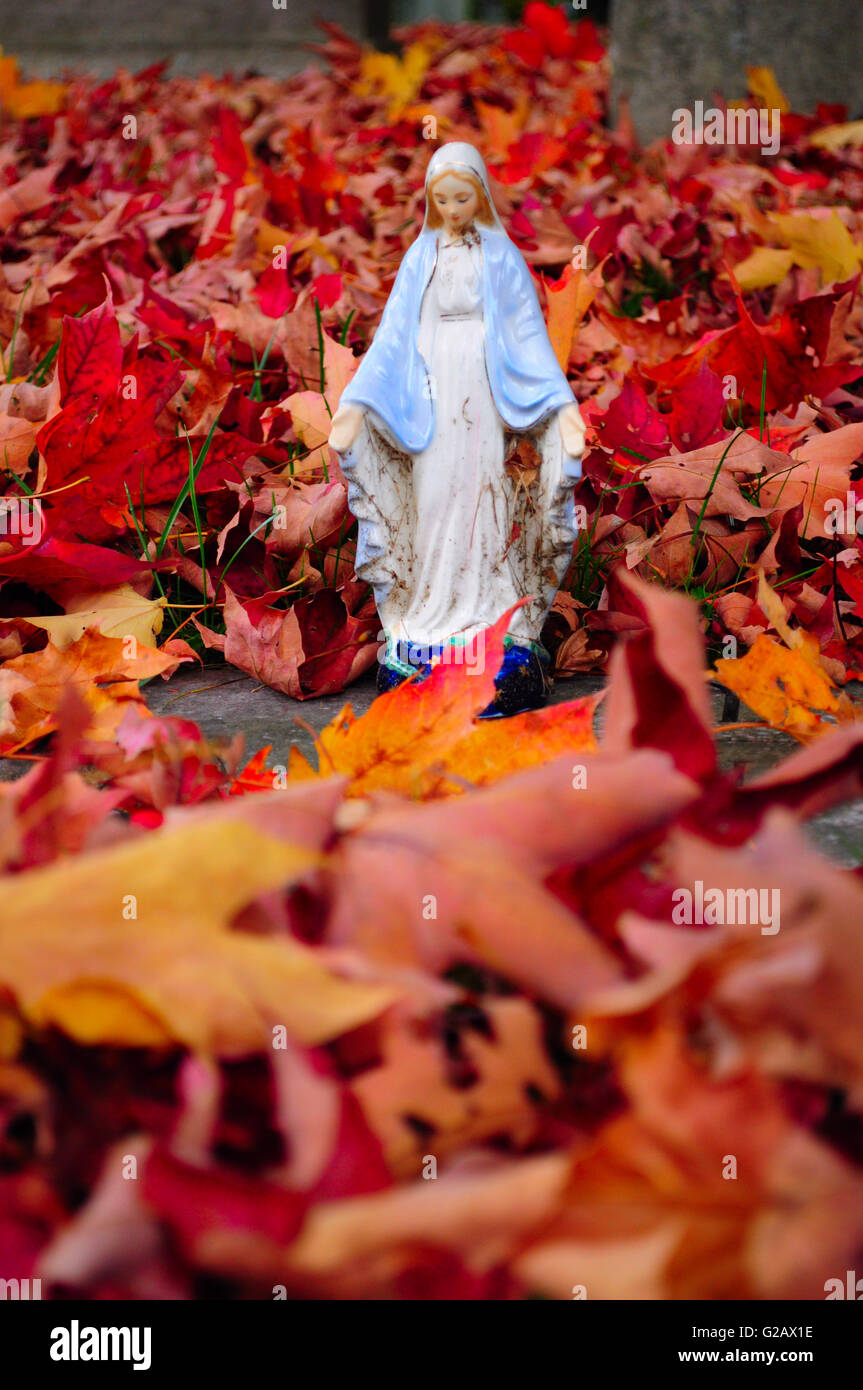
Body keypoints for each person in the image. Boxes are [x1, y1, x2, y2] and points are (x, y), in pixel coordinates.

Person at [328, 141, 586, 715]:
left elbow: (527, 338)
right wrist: (357, 402)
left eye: (462, 197)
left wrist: (562, 406)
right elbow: (393, 337)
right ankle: (427, 612)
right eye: (440, 198)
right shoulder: (420, 257)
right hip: (430, 390)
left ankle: (490, 615)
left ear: (482, 195)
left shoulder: (500, 257)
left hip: (487, 387)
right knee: (434, 493)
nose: (451, 208)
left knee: (483, 497)